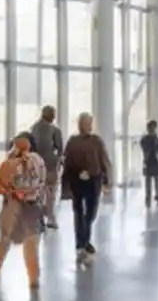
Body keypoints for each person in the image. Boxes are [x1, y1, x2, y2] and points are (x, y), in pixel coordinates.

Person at [0, 132, 47, 288]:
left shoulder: (9, 164)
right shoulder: (39, 161)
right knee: (32, 243)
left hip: (13, 207)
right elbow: (42, 184)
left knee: (5, 240)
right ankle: (33, 277)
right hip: (33, 207)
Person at [63, 112, 111, 265]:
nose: (87, 126)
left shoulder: (96, 141)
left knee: (91, 211)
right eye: (85, 123)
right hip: (77, 180)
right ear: (80, 124)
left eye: (89, 123)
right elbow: (67, 161)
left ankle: (84, 238)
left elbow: (103, 159)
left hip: (94, 180)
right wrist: (71, 177)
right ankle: (81, 243)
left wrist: (106, 178)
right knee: (78, 211)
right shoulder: (72, 141)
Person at [30, 105, 63, 229]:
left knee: (38, 193)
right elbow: (60, 149)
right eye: (53, 114)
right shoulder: (54, 130)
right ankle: (50, 218)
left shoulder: (33, 129)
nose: (54, 117)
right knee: (50, 193)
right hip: (50, 166)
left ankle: (38, 220)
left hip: (36, 166)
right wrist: (59, 162)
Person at [140, 120, 158, 207]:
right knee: (150, 181)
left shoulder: (156, 139)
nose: (152, 129)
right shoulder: (151, 139)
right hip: (150, 162)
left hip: (154, 162)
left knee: (155, 181)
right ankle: (151, 197)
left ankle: (156, 196)